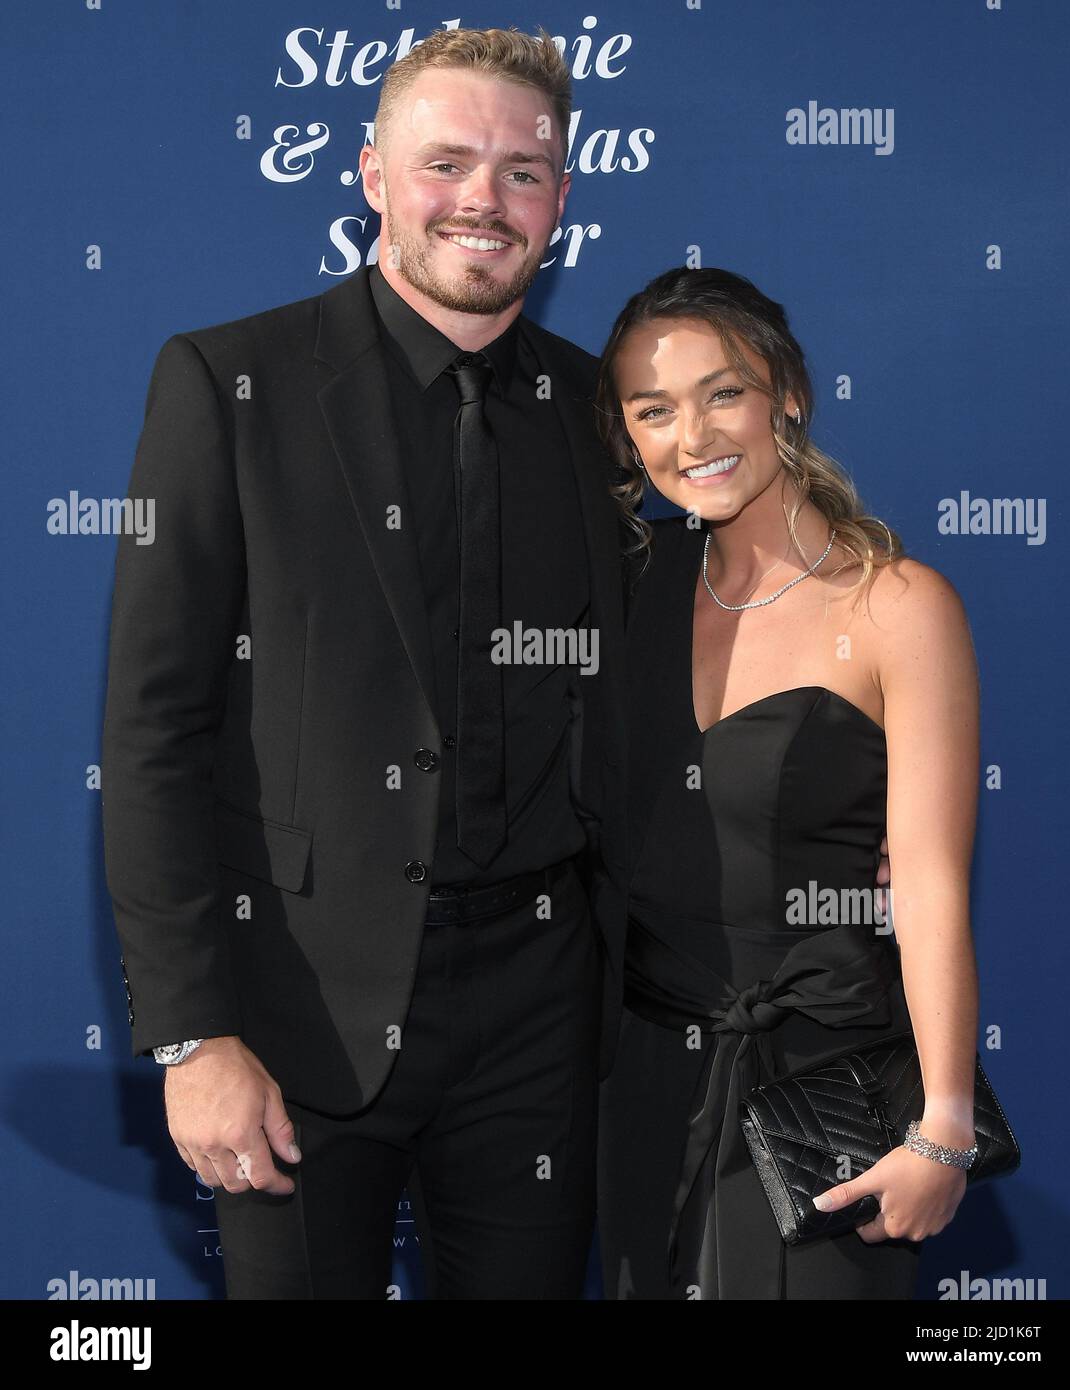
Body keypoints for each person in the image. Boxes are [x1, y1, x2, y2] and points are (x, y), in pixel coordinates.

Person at [101, 26, 630, 1300]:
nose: (483, 199)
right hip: (291, 1007)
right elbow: (151, 729)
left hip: (541, 1017)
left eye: (523, 170)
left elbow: (662, 680)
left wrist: (838, 810)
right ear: (372, 175)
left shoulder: (597, 406)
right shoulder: (226, 382)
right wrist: (191, 1032)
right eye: (446, 160)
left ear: (561, 201)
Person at [594, 266, 981, 1299]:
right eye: (652, 410)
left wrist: (943, 1123)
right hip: (640, 1078)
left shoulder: (898, 605)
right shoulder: (623, 588)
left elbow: (931, 880)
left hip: (821, 1090)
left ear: (788, 395)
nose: (693, 435)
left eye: (722, 392)